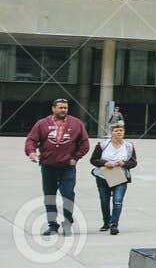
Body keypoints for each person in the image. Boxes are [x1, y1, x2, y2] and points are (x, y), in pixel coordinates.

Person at [24, 97, 90, 237]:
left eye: (65, 108)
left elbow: (85, 144)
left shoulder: (76, 123)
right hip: (48, 166)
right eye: (60, 107)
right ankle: (52, 226)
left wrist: (76, 157)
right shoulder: (42, 124)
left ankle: (67, 222)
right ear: (53, 108)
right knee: (49, 196)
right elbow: (31, 140)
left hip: (67, 167)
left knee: (67, 194)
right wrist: (31, 152)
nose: (63, 110)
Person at [90, 119, 138, 235]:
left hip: (120, 176)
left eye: (121, 130)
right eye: (116, 131)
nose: (119, 133)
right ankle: (106, 222)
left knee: (117, 201)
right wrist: (104, 163)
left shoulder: (129, 146)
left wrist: (124, 164)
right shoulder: (103, 145)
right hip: (103, 176)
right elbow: (93, 160)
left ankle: (114, 224)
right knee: (104, 201)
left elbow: (134, 162)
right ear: (111, 132)